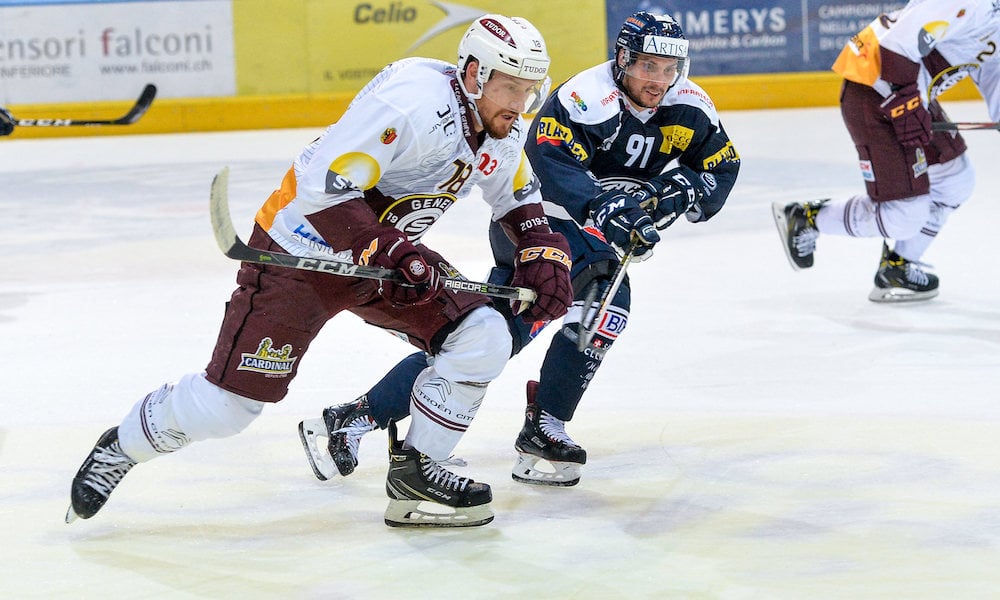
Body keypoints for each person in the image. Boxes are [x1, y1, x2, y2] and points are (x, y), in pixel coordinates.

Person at [66, 14, 573, 529]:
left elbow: (517, 197)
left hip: (383, 262)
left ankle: (418, 474)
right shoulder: (414, 103)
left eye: (530, 90)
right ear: (473, 75)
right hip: (302, 252)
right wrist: (388, 248)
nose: (521, 103)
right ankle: (123, 445)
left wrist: (542, 248)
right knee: (227, 409)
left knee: (483, 335)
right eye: (511, 87)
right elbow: (319, 189)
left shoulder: (495, 125)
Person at [299, 11, 740, 487]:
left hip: (599, 244)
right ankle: (365, 418)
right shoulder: (585, 99)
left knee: (557, 326)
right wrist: (601, 206)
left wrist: (685, 191)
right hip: (541, 229)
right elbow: (543, 168)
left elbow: (721, 163)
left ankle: (536, 426)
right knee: (509, 331)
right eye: (647, 66)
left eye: (667, 69)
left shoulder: (691, 105)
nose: (657, 80)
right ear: (623, 59)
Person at [773, 0, 1000, 302]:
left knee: (956, 180)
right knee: (905, 215)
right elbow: (897, 43)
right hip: (871, 90)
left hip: (905, 89)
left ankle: (898, 266)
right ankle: (808, 216)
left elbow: (993, 70)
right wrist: (906, 105)